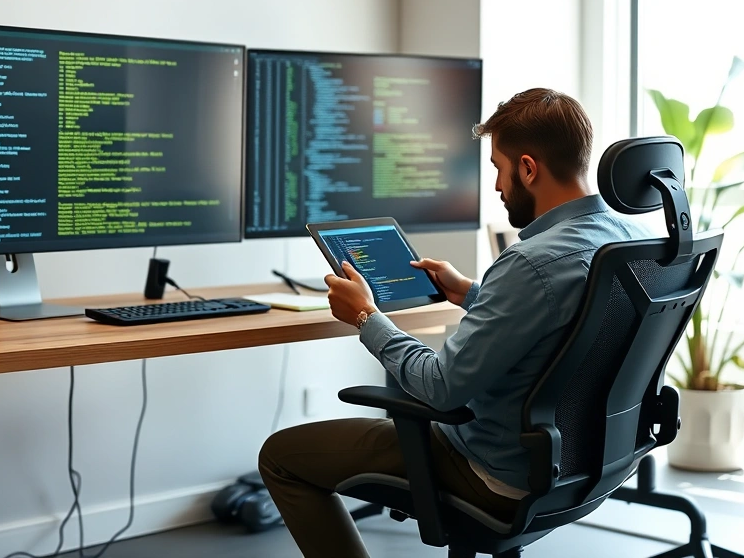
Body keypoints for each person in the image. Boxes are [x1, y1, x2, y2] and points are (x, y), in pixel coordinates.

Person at [258, 87, 652, 558]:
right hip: (586, 465)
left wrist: (365, 316)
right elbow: (571, 326)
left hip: (492, 473)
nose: (497, 186)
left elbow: (441, 388)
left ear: (528, 168)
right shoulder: (634, 242)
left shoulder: (530, 263)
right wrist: (472, 293)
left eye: (498, 170)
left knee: (281, 456)